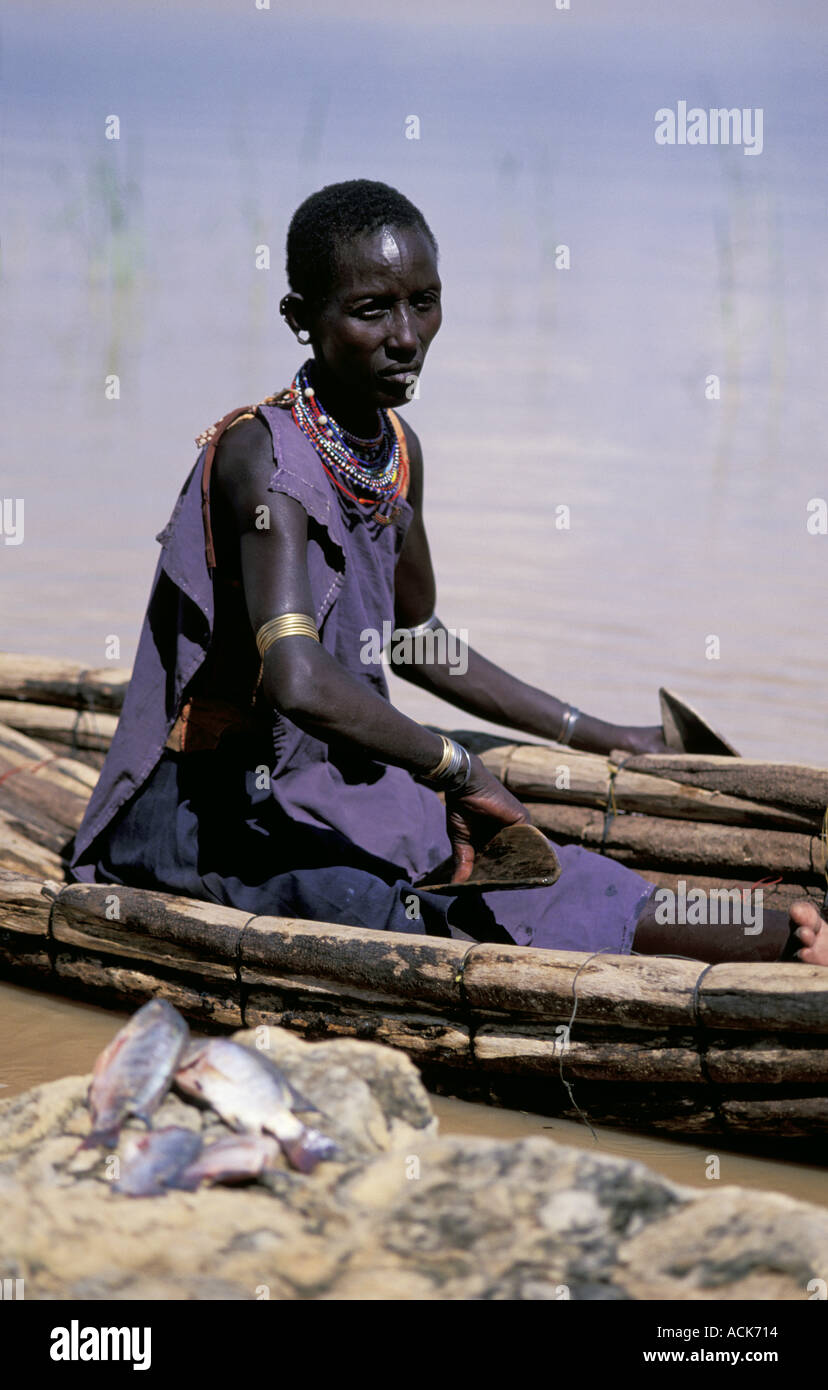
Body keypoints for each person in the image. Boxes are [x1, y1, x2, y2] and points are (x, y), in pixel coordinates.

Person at [68, 179, 828, 968]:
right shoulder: (261, 458)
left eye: (423, 302)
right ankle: (785, 942)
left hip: (331, 780)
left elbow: (413, 640)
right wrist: (454, 766)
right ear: (301, 320)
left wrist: (608, 736)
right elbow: (295, 678)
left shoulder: (395, 450)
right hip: (219, 809)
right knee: (422, 915)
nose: (407, 336)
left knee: (556, 876)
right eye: (372, 311)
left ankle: (784, 932)